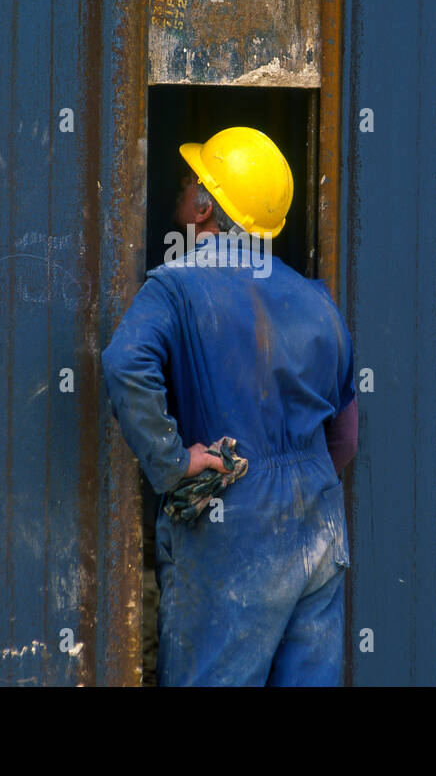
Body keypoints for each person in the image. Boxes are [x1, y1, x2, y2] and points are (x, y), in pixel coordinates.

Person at [101, 126, 358, 686]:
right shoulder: (318, 301)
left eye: (191, 182)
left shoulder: (176, 285)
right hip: (318, 526)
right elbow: (345, 438)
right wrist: (298, 481)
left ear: (204, 204)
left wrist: (172, 461)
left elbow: (125, 364)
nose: (181, 195)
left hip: (232, 522)